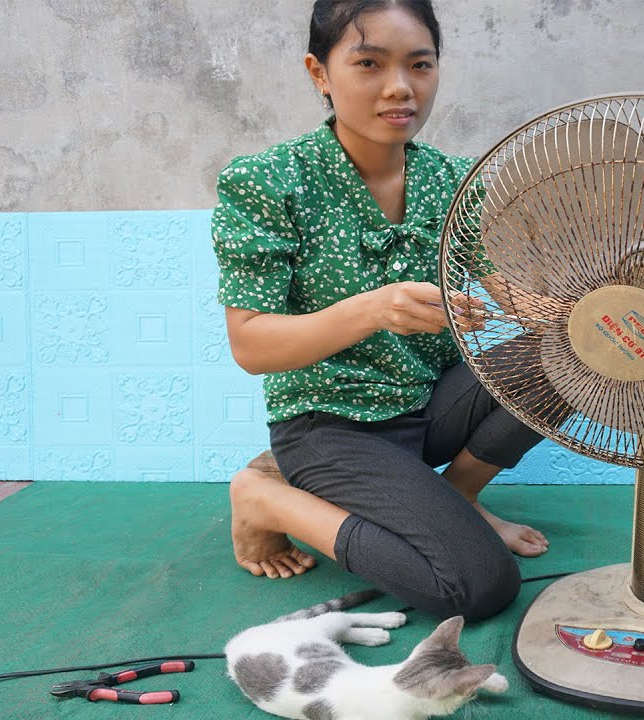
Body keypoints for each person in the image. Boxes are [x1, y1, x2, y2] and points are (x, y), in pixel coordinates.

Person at [211, 0, 550, 621]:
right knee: (480, 588)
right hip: (329, 427)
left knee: (569, 356)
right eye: (369, 63)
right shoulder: (267, 180)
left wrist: (580, 311)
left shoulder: (452, 180)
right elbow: (251, 346)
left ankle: (457, 499)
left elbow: (506, 286)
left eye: (420, 65)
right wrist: (372, 311)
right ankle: (264, 498)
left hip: (425, 409)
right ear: (319, 72)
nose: (400, 88)